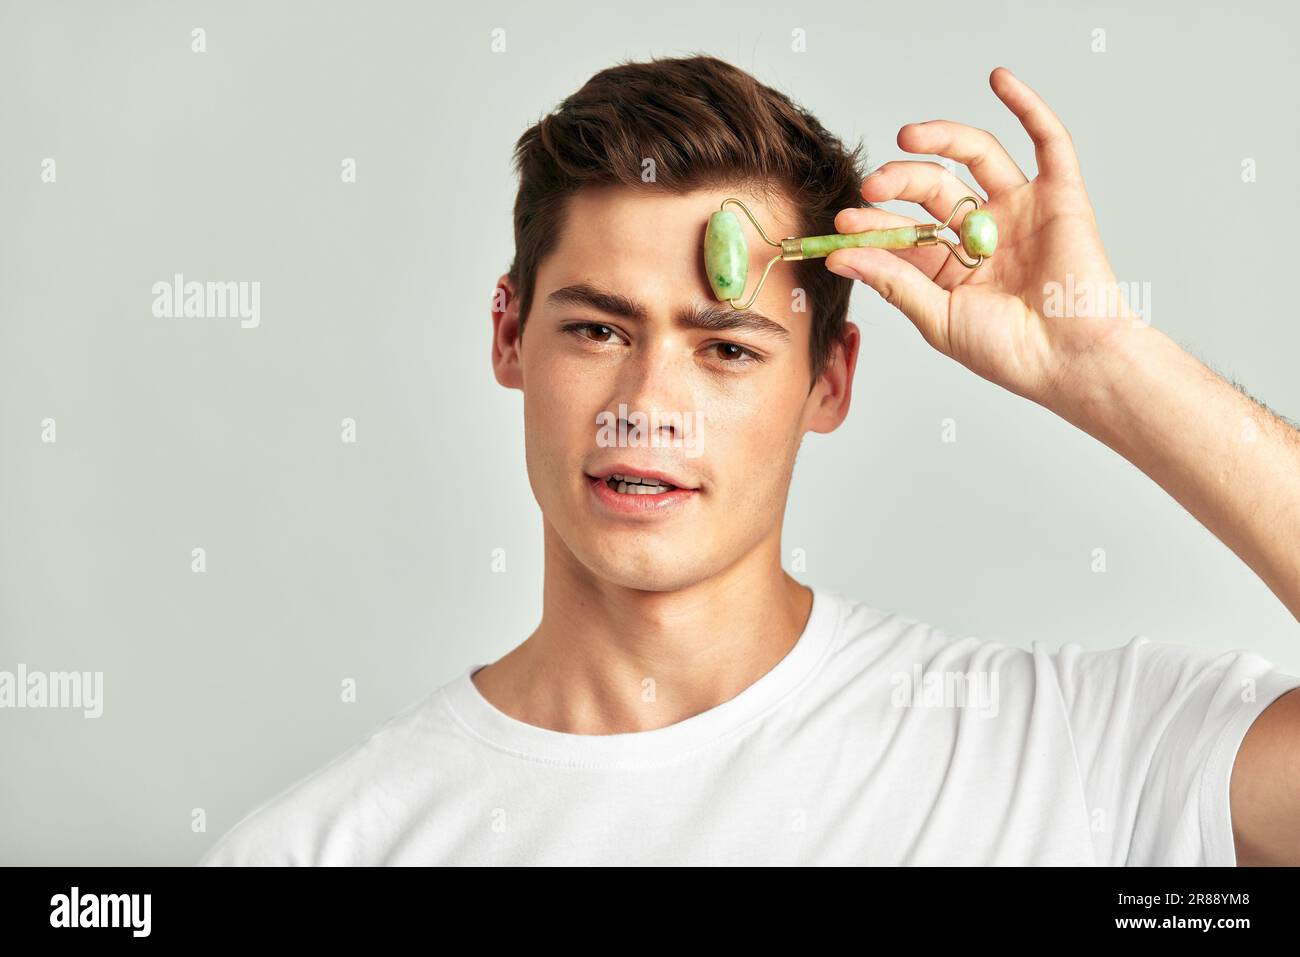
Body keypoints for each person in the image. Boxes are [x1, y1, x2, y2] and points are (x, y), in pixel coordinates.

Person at [200, 55, 1300, 866]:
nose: (645, 409)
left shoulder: (1071, 757)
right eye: (597, 330)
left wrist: (1105, 363)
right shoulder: (319, 848)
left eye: (725, 347)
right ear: (507, 338)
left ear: (829, 380)